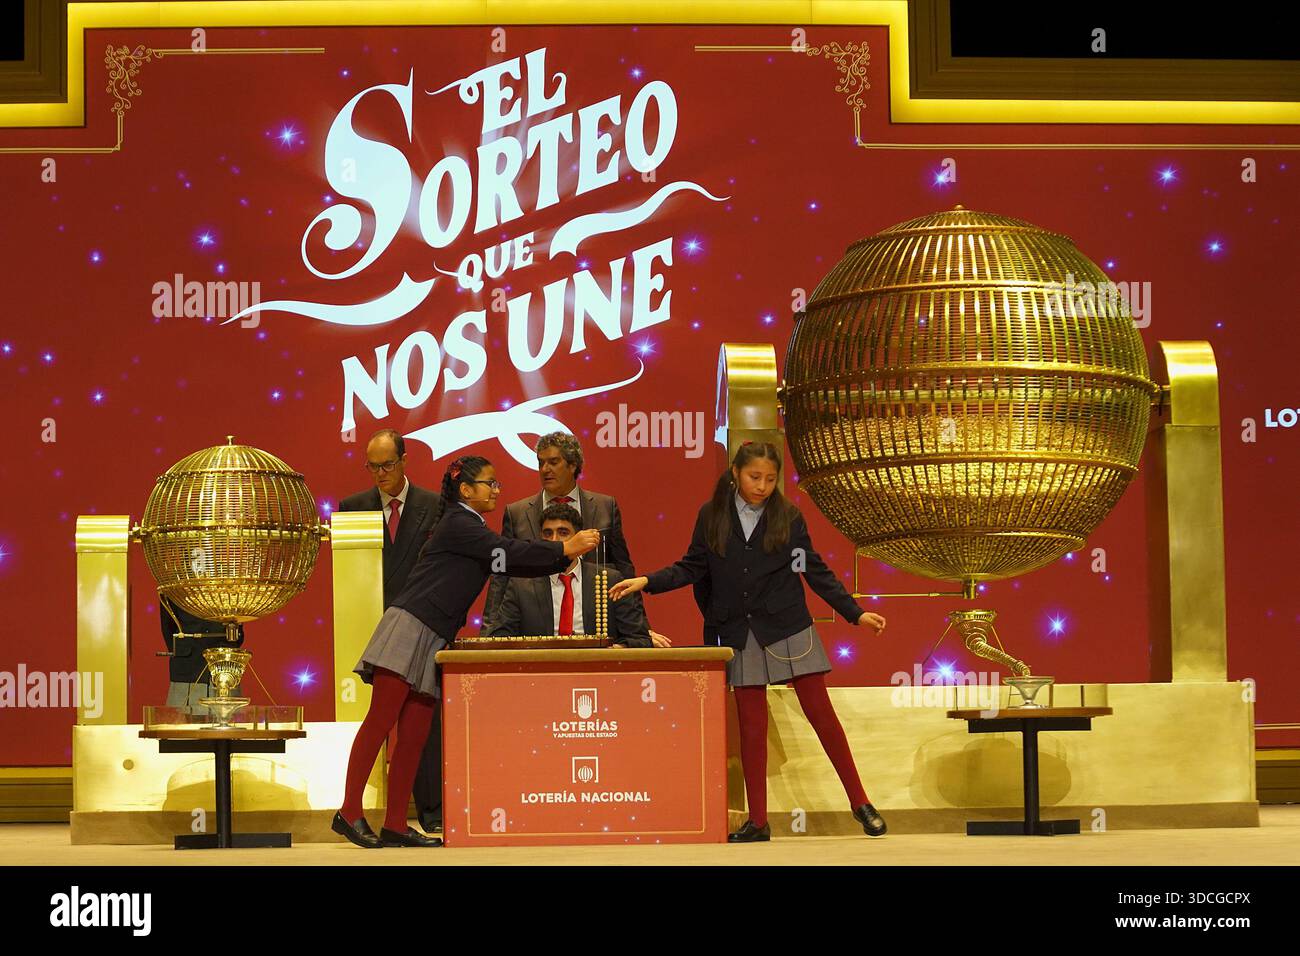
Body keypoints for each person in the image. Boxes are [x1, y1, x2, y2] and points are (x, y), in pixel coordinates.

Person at [610, 441, 889, 842]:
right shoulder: (711, 516)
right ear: (736, 473)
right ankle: (758, 821)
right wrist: (647, 582)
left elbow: (814, 570)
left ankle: (861, 802)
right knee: (752, 729)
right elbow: (692, 567)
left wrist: (854, 612)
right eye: (754, 477)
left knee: (823, 718)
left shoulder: (788, 517)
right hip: (739, 632)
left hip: (789, 626)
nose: (762, 486)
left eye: (770, 479)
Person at [332, 455, 600, 848]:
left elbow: (508, 562)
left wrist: (559, 555)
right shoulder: (460, 523)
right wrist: (562, 551)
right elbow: (507, 552)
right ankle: (349, 812)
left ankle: (394, 823)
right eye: (490, 483)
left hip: (434, 633)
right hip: (410, 625)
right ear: (466, 490)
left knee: (415, 733)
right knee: (381, 721)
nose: (496, 490)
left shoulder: (470, 527)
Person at [339, 428, 446, 832]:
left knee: (422, 721)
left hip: (420, 626)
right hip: (370, 628)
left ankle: (426, 812)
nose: (380, 474)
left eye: (387, 465)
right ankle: (357, 810)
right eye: (372, 466)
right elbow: (348, 577)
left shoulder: (433, 506)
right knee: (378, 720)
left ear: (404, 461)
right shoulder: (354, 508)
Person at [481, 432, 671, 648]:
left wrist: (640, 628)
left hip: (596, 622)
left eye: (553, 462)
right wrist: (488, 635)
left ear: (573, 465)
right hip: (536, 622)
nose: (545, 469)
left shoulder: (604, 506)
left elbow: (624, 570)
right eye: (541, 463)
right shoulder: (517, 513)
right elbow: (501, 576)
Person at [485, 502, 652, 647]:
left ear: (578, 538)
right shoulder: (521, 584)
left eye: (563, 533)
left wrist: (613, 651)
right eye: (548, 534)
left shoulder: (610, 580)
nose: (554, 540)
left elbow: (639, 639)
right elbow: (498, 640)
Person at [160, 597, 244, 715]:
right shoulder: (175, 587)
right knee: (181, 719)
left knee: (228, 715)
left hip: (223, 660)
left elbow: (239, 625)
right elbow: (168, 627)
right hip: (188, 664)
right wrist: (182, 649)